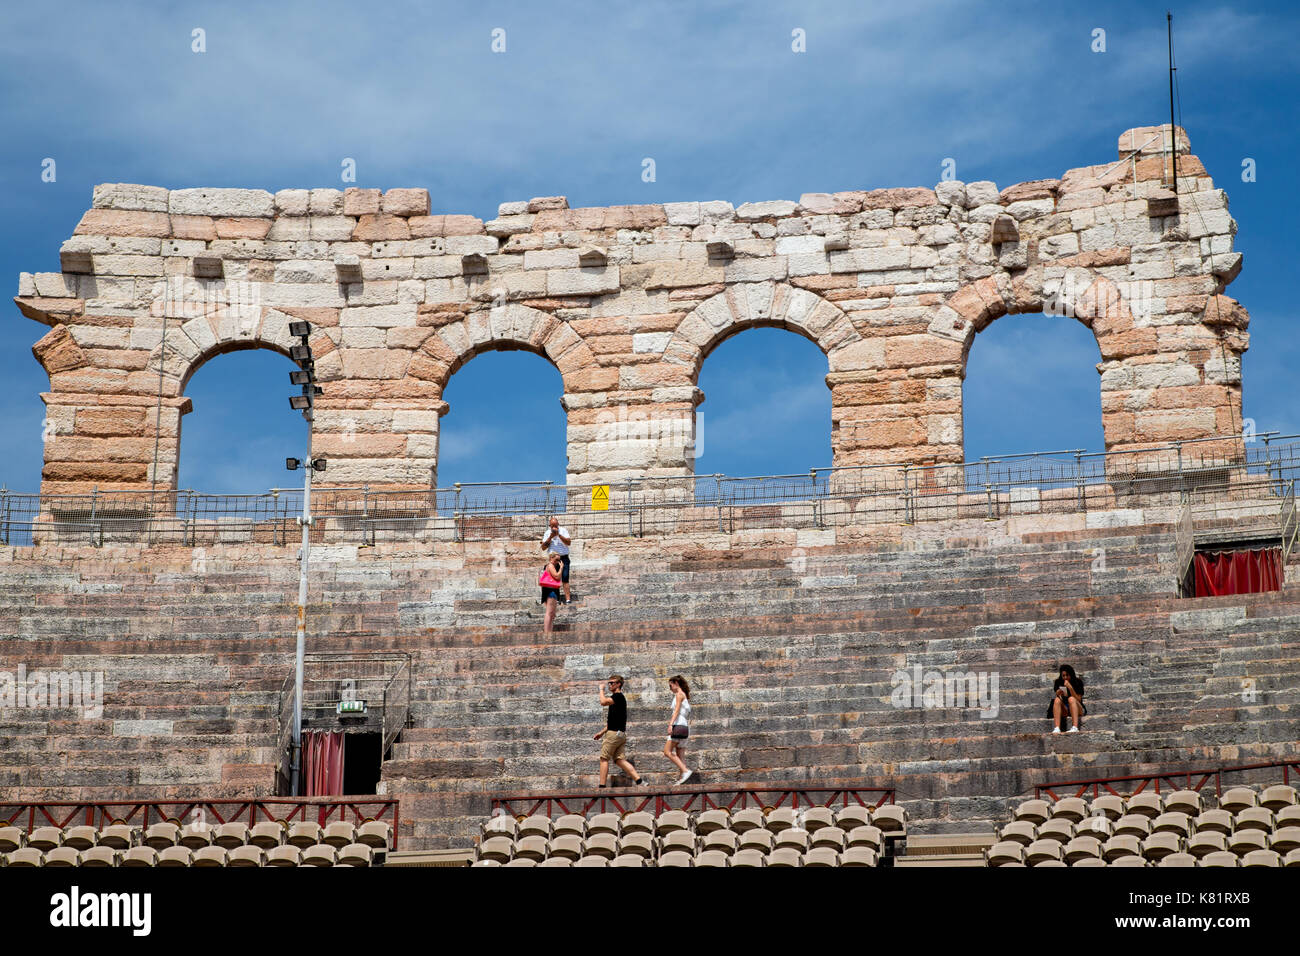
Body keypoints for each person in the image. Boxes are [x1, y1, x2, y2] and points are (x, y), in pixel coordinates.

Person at [594, 675, 644, 788]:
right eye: (609, 683)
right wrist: (601, 732)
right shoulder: (617, 699)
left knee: (604, 758)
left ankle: (602, 786)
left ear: (618, 684)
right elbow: (613, 720)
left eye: (612, 683)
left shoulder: (617, 697)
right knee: (619, 760)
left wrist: (601, 689)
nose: (610, 685)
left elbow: (602, 702)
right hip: (620, 734)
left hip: (613, 735)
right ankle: (639, 781)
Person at [662, 674, 694, 785]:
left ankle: (685, 771)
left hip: (678, 725)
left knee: (667, 751)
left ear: (676, 684)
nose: (670, 688)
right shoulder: (685, 695)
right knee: (680, 755)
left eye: (670, 686)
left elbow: (676, 711)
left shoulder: (679, 694)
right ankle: (682, 778)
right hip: (684, 727)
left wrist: (670, 724)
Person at [540, 517, 572, 603]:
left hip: (563, 557)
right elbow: (543, 547)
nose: (554, 527)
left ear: (558, 524)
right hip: (553, 559)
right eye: (552, 526)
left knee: (565, 578)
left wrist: (559, 535)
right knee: (553, 579)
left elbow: (568, 543)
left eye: (555, 525)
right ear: (550, 526)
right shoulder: (547, 533)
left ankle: (568, 599)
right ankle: (555, 599)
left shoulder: (563, 531)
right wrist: (550, 537)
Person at [1048, 663, 1086, 734]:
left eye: (1067, 675)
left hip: (1077, 708)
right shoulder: (1058, 682)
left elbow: (1079, 700)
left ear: (1071, 674)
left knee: (1071, 699)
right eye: (1063, 676)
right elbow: (1058, 697)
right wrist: (1058, 693)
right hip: (1065, 709)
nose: (1065, 677)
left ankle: (1075, 727)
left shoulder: (1078, 682)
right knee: (1056, 700)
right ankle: (1057, 728)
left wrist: (1070, 688)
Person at [539, 552, 564, 634]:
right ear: (551, 558)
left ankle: (549, 631)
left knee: (552, 613)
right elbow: (557, 576)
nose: (558, 562)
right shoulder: (550, 565)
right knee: (549, 612)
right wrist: (561, 568)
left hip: (550, 589)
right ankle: (547, 632)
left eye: (559, 560)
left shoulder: (550, 565)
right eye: (556, 560)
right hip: (550, 590)